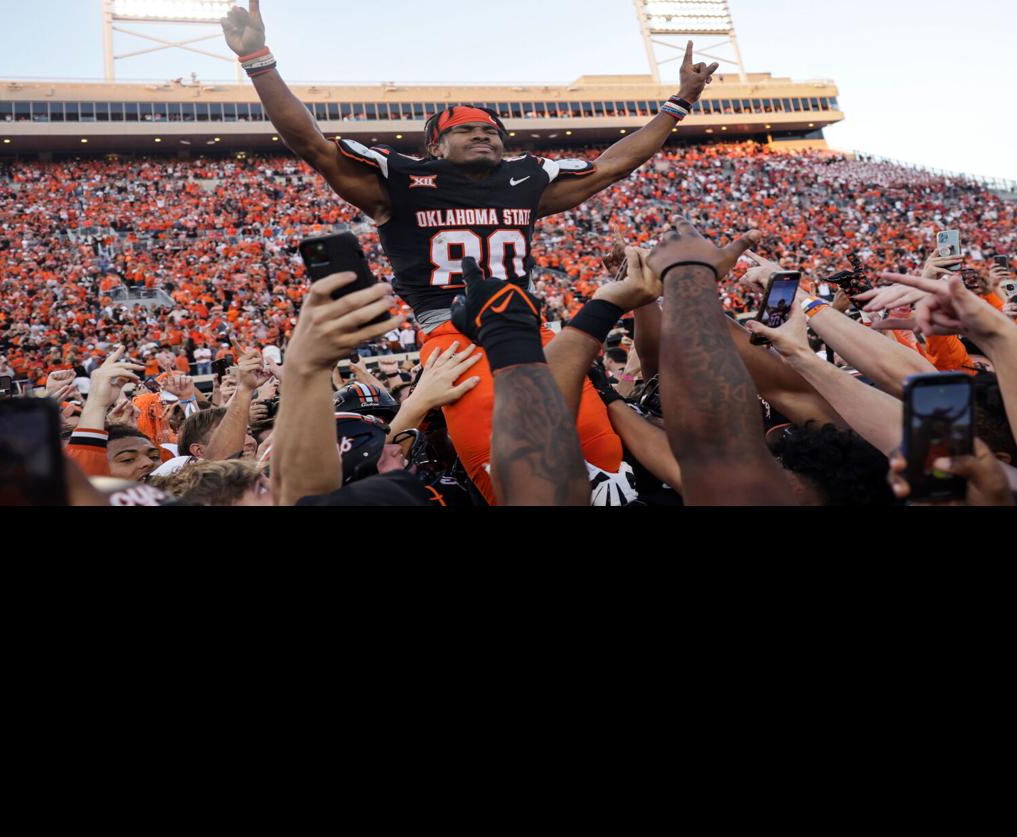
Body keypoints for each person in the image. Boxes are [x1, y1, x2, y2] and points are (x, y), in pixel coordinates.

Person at [222, 0, 722, 502]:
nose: (484, 134)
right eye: (466, 129)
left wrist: (679, 102)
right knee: (508, 470)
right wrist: (258, 60)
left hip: (532, 331)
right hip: (453, 338)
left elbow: (612, 166)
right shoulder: (400, 181)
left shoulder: (524, 178)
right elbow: (311, 144)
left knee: (604, 463)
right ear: (435, 146)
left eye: (491, 130)